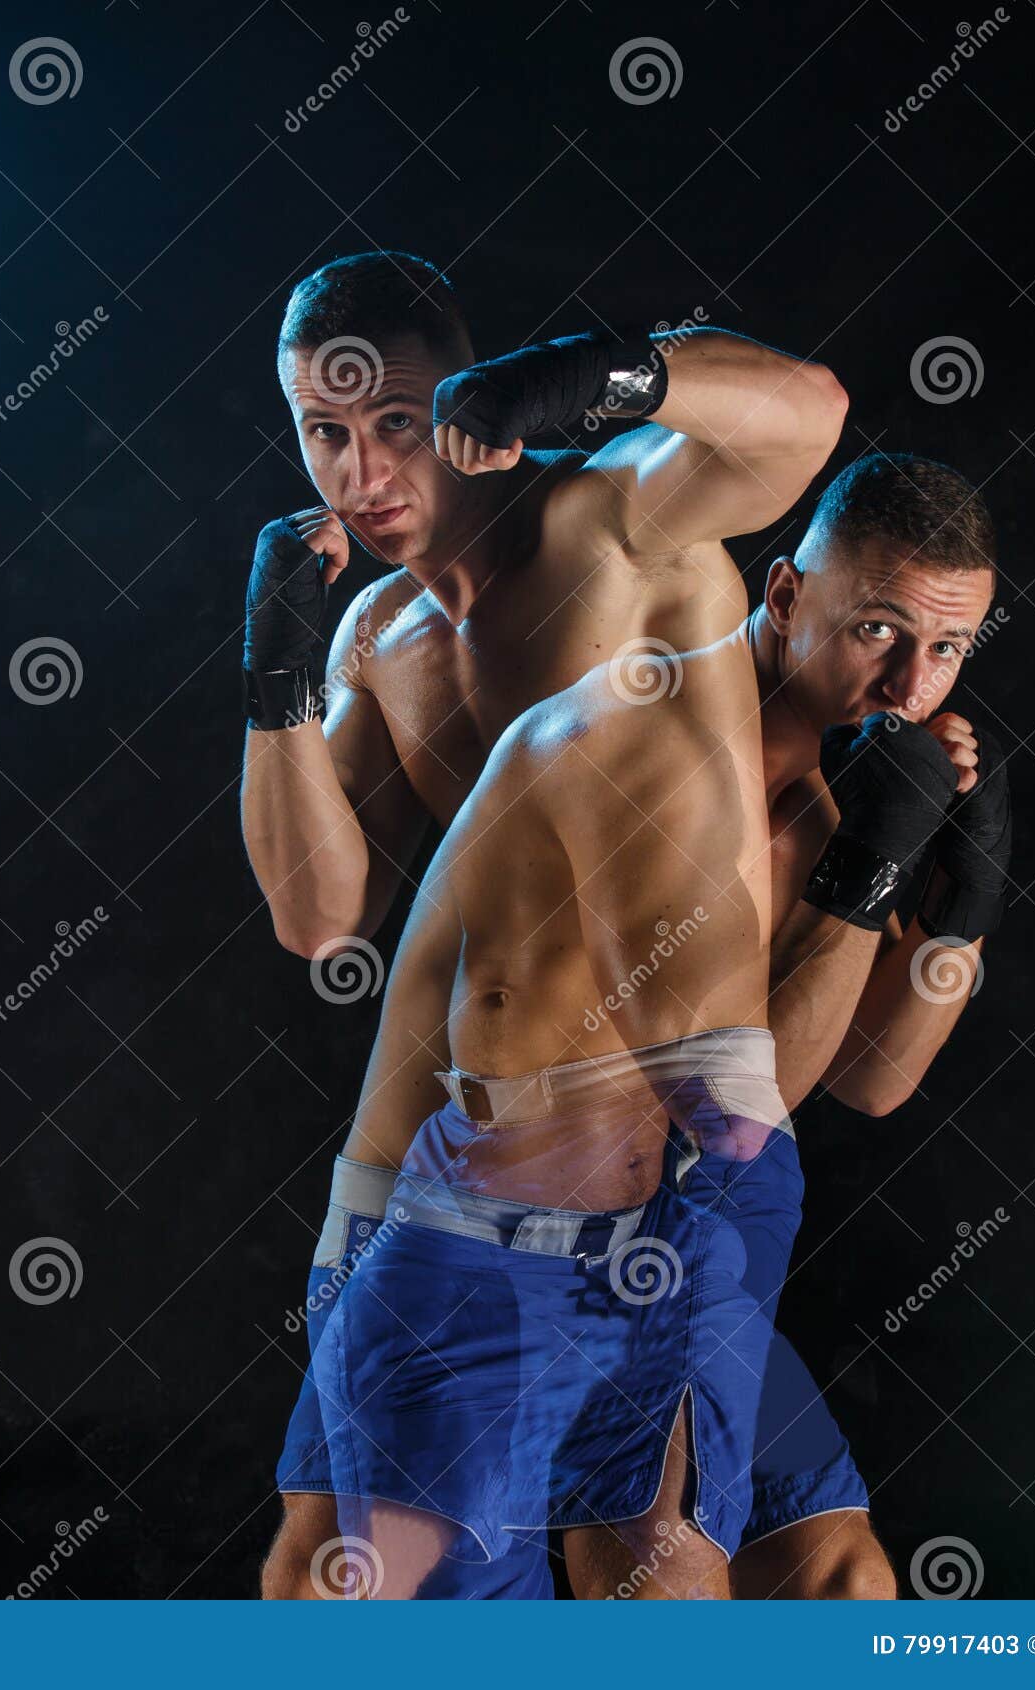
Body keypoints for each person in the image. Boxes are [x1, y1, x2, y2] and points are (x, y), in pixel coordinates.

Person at [266, 453, 1011, 1598]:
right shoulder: (649, 740)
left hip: (654, 1244)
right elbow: (737, 1113)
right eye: (878, 630)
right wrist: (871, 874)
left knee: (831, 1579)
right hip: (484, 1243)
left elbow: (872, 1077)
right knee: (374, 1585)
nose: (911, 684)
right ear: (783, 595)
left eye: (948, 648)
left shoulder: (831, 802)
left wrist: (958, 910)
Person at [242, 249, 851, 1596]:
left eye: (396, 420)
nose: (362, 471)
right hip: (475, 1179)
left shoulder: (608, 521)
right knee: (373, 1567)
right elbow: (317, 911)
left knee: (691, 1560)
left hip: (664, 1165)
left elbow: (807, 417)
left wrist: (599, 377)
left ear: (464, 395)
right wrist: (275, 673)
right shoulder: (375, 638)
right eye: (325, 432)